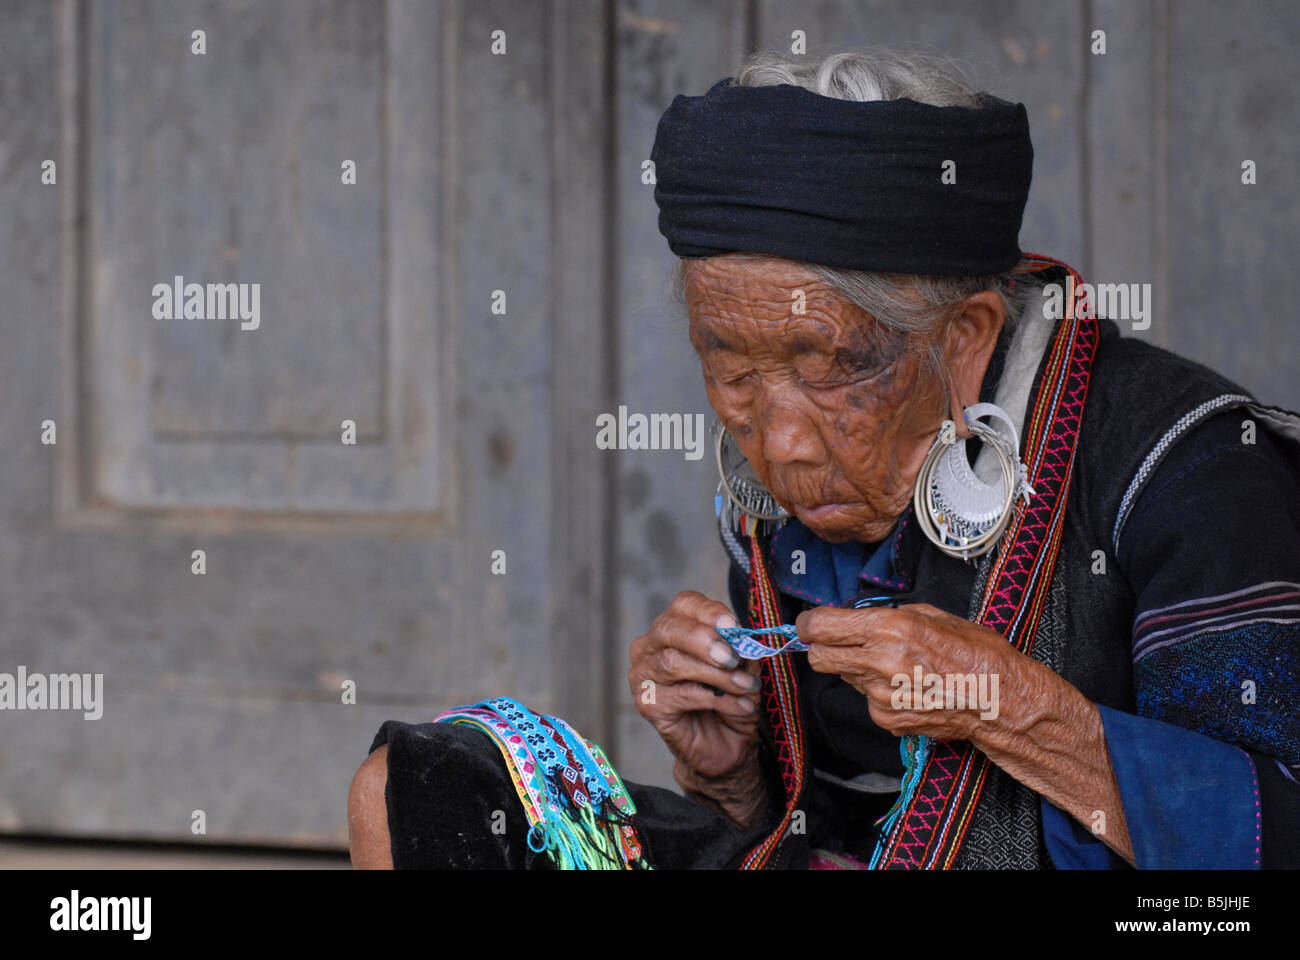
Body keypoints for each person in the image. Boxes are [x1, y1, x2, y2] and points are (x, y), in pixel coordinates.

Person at [348, 49, 1300, 870]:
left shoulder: (1191, 472)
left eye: (834, 370)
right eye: (733, 375)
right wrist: (737, 775)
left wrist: (1007, 705)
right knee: (424, 790)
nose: (783, 440)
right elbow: (842, 829)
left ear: (965, 336)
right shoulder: (779, 496)